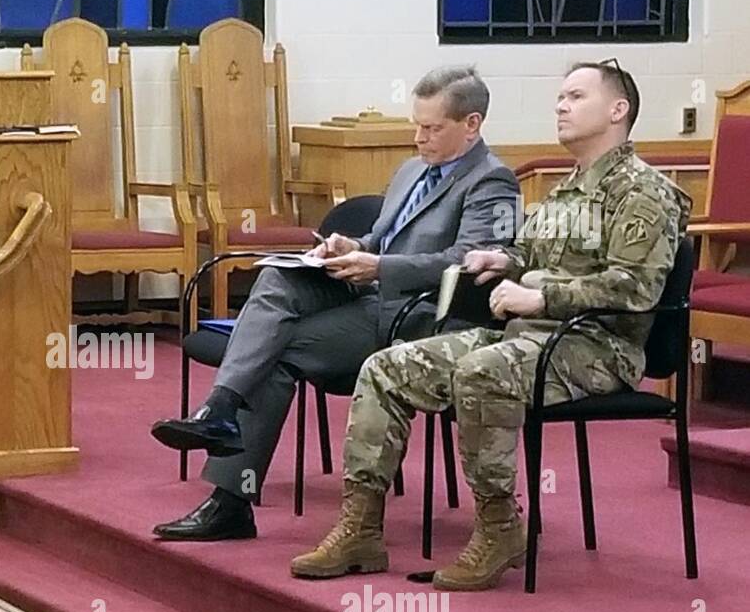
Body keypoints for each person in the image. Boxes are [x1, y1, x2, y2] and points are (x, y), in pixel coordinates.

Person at [291, 60, 691, 590]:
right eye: (560, 96)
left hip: (597, 347)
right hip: (529, 338)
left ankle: (500, 525)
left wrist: (538, 294)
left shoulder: (643, 192)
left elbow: (635, 288)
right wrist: (502, 261)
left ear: (618, 111)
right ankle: (361, 527)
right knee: (386, 368)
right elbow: (531, 252)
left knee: (481, 372)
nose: (561, 106)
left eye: (575, 96)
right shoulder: (564, 188)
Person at [149, 66, 520, 541]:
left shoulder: (492, 182)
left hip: (418, 315)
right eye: (416, 124)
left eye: (432, 129)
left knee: (277, 351)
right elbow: (381, 238)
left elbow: (465, 265)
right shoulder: (411, 169)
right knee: (278, 277)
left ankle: (229, 501)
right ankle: (219, 409)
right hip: (368, 291)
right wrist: (349, 246)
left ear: (471, 124)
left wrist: (379, 265)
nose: (418, 138)